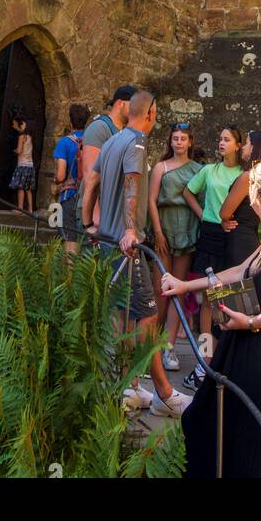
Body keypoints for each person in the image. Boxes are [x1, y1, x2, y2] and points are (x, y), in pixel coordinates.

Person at [163, 161, 261, 478]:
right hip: (256, 358)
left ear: (253, 196)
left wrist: (251, 322)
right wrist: (184, 286)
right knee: (215, 427)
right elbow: (237, 273)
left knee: (259, 454)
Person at [89, 89, 190, 418]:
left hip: (107, 241)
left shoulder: (112, 141)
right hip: (127, 247)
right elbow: (132, 182)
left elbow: (92, 180)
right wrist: (131, 230)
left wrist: (91, 222)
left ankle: (126, 388)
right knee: (147, 315)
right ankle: (163, 394)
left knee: (122, 316)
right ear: (151, 113)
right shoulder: (135, 143)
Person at [181, 127, 242, 388]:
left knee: (228, 295)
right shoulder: (209, 171)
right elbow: (187, 192)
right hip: (210, 232)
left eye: (227, 139)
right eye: (219, 139)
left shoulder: (243, 174)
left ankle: (225, 355)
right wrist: (203, 213)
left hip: (233, 237)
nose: (221, 143)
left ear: (238, 146)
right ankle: (204, 358)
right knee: (208, 296)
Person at [147, 121, 202, 370]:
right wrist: (157, 232)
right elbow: (150, 200)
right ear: (170, 142)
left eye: (183, 138)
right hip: (165, 225)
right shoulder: (161, 167)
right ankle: (151, 346)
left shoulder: (198, 170)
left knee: (178, 289)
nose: (178, 142)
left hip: (187, 228)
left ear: (190, 142)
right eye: (175, 138)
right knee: (160, 289)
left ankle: (169, 347)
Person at [78, 85, 135, 232]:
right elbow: (89, 174)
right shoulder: (99, 128)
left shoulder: (124, 133)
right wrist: (93, 217)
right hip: (96, 215)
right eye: (133, 105)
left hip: (112, 215)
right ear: (120, 103)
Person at [220, 130, 261, 266]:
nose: (243, 147)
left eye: (247, 143)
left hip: (240, 239)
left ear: (254, 148)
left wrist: (224, 220)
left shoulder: (248, 177)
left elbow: (224, 213)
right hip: (254, 238)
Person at [52, 104, 89, 252]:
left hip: (70, 196)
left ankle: (69, 275)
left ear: (70, 121)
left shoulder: (65, 142)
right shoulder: (91, 141)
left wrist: (56, 180)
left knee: (70, 241)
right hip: (88, 197)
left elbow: (61, 176)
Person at [9, 117, 35, 213]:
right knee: (28, 189)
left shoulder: (21, 137)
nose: (21, 125)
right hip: (30, 165)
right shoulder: (30, 137)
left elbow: (19, 150)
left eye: (23, 124)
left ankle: (20, 208)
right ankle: (30, 210)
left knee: (20, 188)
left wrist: (14, 150)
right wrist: (17, 128)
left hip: (22, 165)